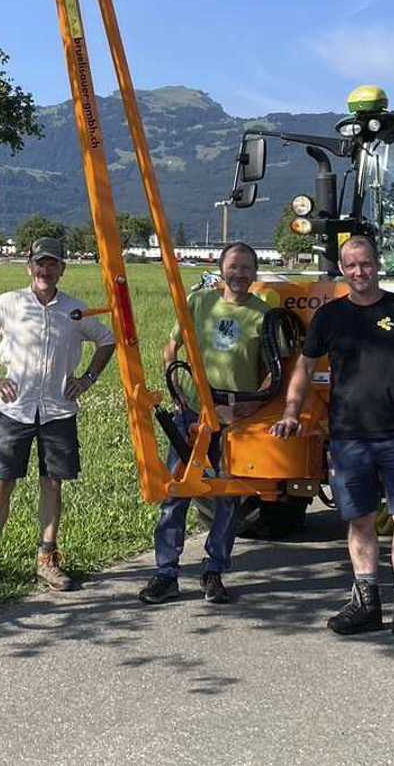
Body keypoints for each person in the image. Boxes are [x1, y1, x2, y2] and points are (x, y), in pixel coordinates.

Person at [272, 235, 394, 646]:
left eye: (365, 264)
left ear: (378, 265)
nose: (359, 272)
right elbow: (305, 369)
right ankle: (366, 603)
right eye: (351, 266)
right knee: (359, 522)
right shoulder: (329, 317)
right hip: (349, 437)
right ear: (343, 269)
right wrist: (291, 411)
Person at [0, 237, 116, 591]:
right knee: (2, 482)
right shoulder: (8, 304)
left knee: (52, 482)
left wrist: (88, 378)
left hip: (58, 412)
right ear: (29, 266)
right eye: (39, 264)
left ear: (62, 268)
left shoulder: (75, 310)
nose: (45, 270)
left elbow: (107, 340)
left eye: (53, 264)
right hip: (15, 409)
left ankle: (47, 558)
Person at [140, 242, 271, 606]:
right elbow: (172, 348)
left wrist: (247, 408)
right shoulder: (199, 303)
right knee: (175, 494)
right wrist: (177, 388)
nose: (240, 274)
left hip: (232, 421)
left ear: (255, 272)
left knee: (228, 497)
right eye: (234, 266)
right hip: (191, 415)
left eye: (247, 267)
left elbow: (276, 372)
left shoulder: (264, 314)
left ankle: (214, 571)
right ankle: (166, 574)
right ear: (221, 267)